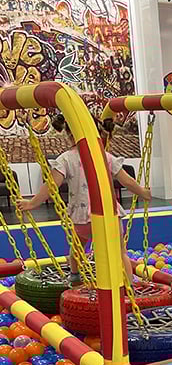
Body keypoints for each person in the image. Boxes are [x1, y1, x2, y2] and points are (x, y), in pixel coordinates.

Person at [17, 113, 151, 285]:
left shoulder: (66, 158)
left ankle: (74, 276)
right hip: (108, 215)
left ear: (68, 135)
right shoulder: (105, 156)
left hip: (82, 218)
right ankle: (129, 286)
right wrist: (143, 193)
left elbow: (51, 186)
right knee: (120, 252)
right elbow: (127, 181)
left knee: (78, 248)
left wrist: (32, 203)